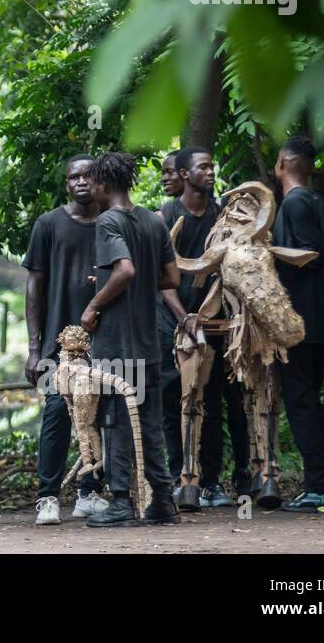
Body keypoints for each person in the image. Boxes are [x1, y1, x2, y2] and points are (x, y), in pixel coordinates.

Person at [80, 152, 179, 527]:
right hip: (149, 340)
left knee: (116, 419)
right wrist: (127, 287)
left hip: (118, 342)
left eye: (92, 183)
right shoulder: (153, 222)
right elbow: (170, 278)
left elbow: (125, 270)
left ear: (105, 185)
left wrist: (94, 305)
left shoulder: (107, 221)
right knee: (150, 420)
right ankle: (163, 501)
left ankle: (121, 502)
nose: (89, 189)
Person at [160, 146, 250, 509]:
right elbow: (160, 280)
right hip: (173, 321)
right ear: (184, 174)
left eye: (212, 166)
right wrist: (184, 317)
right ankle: (179, 476)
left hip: (217, 323)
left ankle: (210, 482)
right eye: (203, 167)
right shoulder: (166, 216)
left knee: (211, 402)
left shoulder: (222, 216)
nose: (211, 172)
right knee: (175, 402)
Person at [24, 153, 107, 525]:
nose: (81, 182)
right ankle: (48, 497)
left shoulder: (111, 223)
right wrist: (32, 347)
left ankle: (89, 492)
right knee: (58, 413)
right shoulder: (48, 224)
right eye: (74, 177)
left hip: (104, 339)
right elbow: (34, 286)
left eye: (88, 176)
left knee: (99, 416)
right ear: (66, 183)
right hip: (59, 343)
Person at [272, 136, 324, 512]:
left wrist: (265, 251)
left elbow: (310, 255)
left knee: (300, 400)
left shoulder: (297, 202)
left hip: (303, 322)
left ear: (282, 164)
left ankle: (319, 488)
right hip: (318, 319)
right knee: (307, 400)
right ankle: (319, 484)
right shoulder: (312, 200)